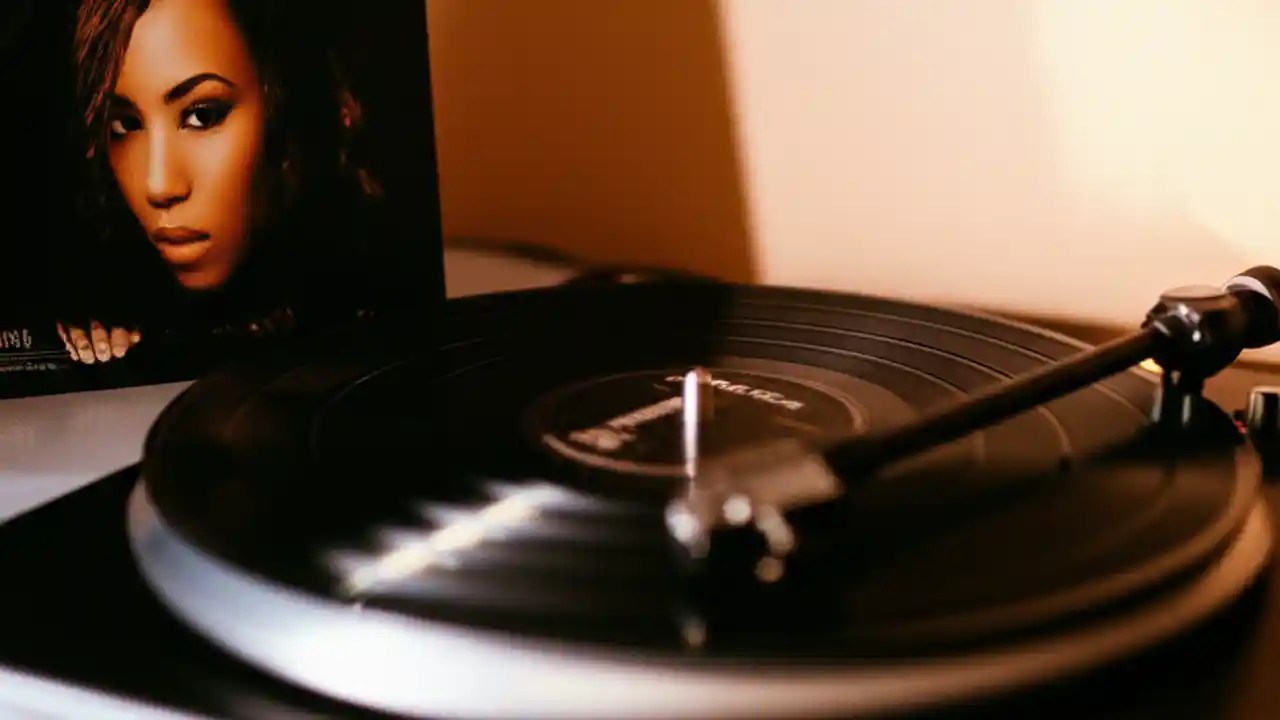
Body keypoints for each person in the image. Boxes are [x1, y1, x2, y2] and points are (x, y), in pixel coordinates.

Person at [58, 0, 411, 364]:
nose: (159, 185)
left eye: (202, 116)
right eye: (125, 125)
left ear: (288, 110)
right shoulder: (95, 310)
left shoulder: (385, 304)